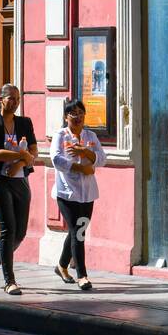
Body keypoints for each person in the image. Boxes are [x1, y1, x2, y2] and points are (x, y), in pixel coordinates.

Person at [0, 84, 38, 295]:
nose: (14, 102)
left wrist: (20, 163)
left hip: (19, 181)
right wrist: (21, 156)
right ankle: (10, 281)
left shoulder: (24, 123)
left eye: (17, 99)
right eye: (10, 98)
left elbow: (33, 150)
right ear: (0, 99)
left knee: (20, 233)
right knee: (7, 231)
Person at [50, 98, 106, 291]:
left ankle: (61, 266)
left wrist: (85, 152)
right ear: (66, 117)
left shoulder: (90, 135)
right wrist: (78, 168)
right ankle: (82, 275)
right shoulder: (61, 135)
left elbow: (102, 158)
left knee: (78, 231)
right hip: (67, 193)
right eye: (74, 114)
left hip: (88, 193)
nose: (78, 117)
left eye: (81, 113)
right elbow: (56, 159)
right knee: (78, 233)